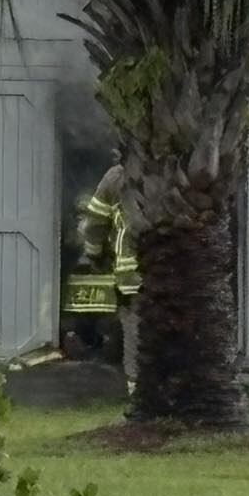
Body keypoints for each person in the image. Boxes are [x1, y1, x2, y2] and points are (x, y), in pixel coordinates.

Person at [76, 163, 141, 381]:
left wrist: (94, 255)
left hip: (131, 276)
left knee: (135, 333)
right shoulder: (184, 167)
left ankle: (138, 392)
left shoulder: (117, 176)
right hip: (183, 275)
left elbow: (95, 224)